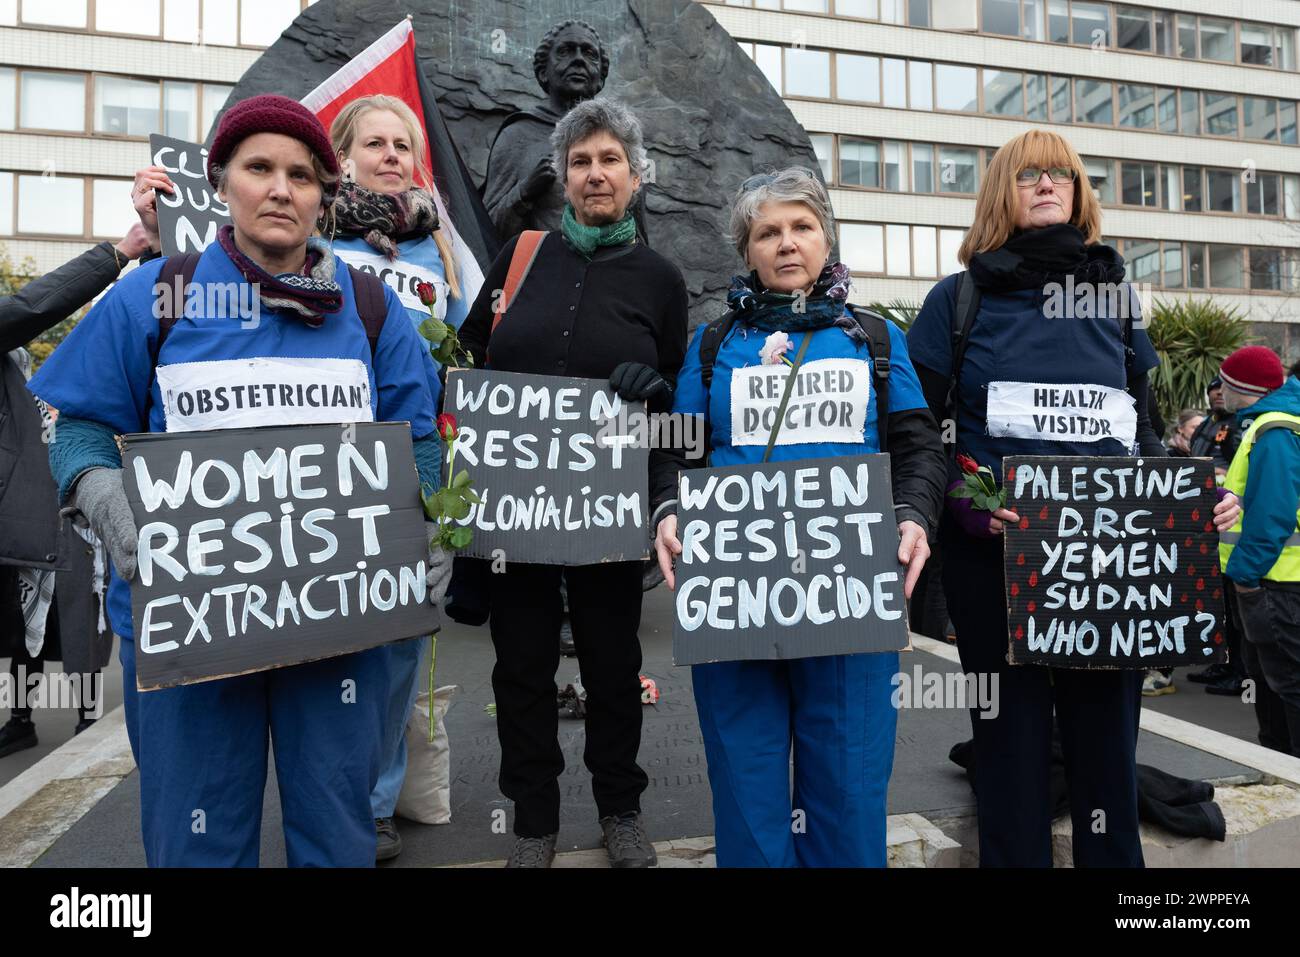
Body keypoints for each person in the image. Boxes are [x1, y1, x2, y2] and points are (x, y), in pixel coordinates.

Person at [28, 94, 449, 867]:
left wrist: (427, 522)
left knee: (338, 838)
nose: (281, 188)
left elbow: (418, 436)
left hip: (337, 626)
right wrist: (104, 498)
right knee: (197, 843)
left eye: (301, 173)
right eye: (260, 168)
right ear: (224, 182)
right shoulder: (152, 294)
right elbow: (79, 426)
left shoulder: (373, 308)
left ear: (325, 191)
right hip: (187, 624)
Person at [905, 129, 1239, 868]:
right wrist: (970, 501)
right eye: (1029, 175)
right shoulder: (954, 301)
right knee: (1008, 748)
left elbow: (1144, 436)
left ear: (1080, 190)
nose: (1048, 183)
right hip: (994, 567)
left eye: (1061, 173)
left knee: (1106, 756)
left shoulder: (1115, 300)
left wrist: (1197, 495)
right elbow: (918, 435)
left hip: (1106, 569)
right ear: (1003, 192)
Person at [650, 167, 944, 867]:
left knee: (847, 794)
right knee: (747, 794)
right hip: (735, 594)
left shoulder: (875, 337)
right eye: (768, 232)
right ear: (746, 250)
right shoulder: (712, 344)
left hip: (850, 591)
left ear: (826, 239)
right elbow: (677, 448)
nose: (787, 243)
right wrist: (668, 509)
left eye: (801, 227)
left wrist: (912, 515)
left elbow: (917, 444)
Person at [459, 98, 686, 868]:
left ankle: (621, 808)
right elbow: (467, 359)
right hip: (515, 512)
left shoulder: (661, 279)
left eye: (610, 160)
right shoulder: (521, 255)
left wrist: (654, 386)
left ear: (636, 175)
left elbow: (679, 395)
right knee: (519, 665)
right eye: (582, 161)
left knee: (613, 666)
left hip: (609, 510)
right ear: (563, 174)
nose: (596, 174)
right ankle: (532, 816)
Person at [328, 92, 470, 863]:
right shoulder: (313, 237)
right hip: (325, 465)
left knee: (397, 644)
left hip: (413, 459)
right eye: (373, 142)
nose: (389, 155)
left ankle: (378, 802)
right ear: (343, 154)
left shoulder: (437, 251)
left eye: (401, 144)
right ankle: (329, 799)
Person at [0, 224, 151, 757]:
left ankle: (80, 714)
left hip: (34, 500)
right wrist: (119, 253)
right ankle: (22, 715)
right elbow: (24, 311)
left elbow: (24, 311)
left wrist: (122, 254)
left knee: (64, 604)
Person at [483, 19, 647, 245]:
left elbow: (639, 236)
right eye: (565, 51)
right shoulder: (516, 136)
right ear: (543, 72)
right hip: (543, 272)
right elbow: (483, 234)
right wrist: (523, 193)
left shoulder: (621, 139)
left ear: (600, 76)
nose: (579, 59)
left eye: (589, 53)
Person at [1217, 346, 1300, 757]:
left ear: (1240, 388)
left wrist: (1245, 577)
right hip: (1277, 580)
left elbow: (1271, 515)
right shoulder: (1274, 424)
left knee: (1285, 688)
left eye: (1225, 382)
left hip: (1275, 584)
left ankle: (1287, 782)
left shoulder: (1273, 430)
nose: (1219, 390)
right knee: (1274, 688)